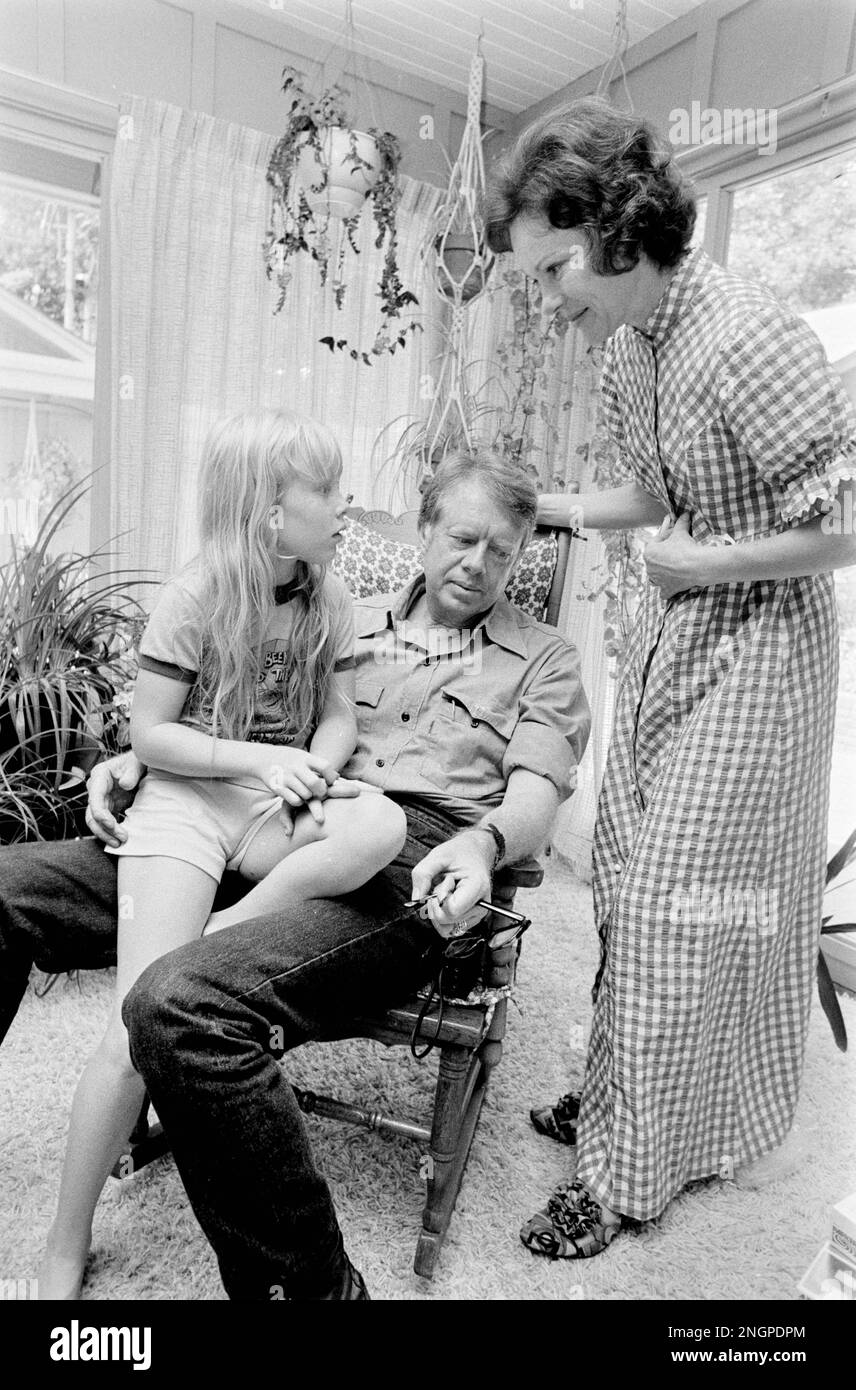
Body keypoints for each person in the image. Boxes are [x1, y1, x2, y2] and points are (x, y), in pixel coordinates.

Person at [0, 448, 591, 1299]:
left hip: (411, 862)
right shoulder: (336, 610)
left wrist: (486, 846)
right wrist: (140, 758)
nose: (478, 564)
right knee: (9, 889)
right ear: (423, 531)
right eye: (462, 537)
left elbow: (536, 795)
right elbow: (235, 705)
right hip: (268, 819)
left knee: (177, 1002)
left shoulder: (547, 659)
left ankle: (314, 1287)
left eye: (503, 551)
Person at [485, 96, 856, 1259]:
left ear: (611, 229)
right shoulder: (635, 345)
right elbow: (645, 497)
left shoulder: (745, 329)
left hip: (763, 655)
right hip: (671, 642)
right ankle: (620, 1102)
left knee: (672, 905)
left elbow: (843, 512)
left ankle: (624, 1174)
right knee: (633, 883)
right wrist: (532, 507)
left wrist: (707, 558)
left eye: (553, 270)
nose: (550, 302)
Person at [39, 409, 409, 1299]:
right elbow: (153, 738)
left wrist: (313, 770)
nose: (343, 500)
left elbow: (341, 717)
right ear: (265, 513)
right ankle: (63, 1242)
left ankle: (215, 939)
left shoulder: (331, 595)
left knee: (381, 826)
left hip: (269, 801)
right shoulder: (196, 594)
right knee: (135, 1025)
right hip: (188, 798)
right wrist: (261, 760)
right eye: (323, 488)